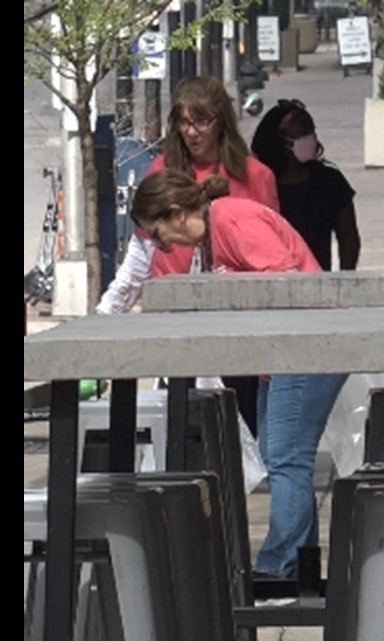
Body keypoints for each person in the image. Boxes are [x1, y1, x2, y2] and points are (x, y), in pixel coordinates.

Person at [129, 169, 346, 579]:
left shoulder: (232, 220)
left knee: (286, 457)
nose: (160, 246)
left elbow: (285, 283)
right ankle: (299, 566)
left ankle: (279, 566)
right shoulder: (212, 235)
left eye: (156, 234)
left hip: (305, 344)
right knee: (283, 457)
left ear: (176, 214)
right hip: (285, 351)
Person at [98, 75, 277, 435]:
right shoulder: (162, 169)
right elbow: (139, 253)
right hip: (174, 326)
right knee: (181, 439)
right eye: (183, 122)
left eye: (202, 121)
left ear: (222, 120)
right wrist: (106, 313)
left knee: (242, 445)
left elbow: (272, 261)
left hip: (238, 333)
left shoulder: (255, 175)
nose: (192, 132)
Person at [251, 99, 360, 272]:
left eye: (312, 130)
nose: (310, 137)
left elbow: (348, 235)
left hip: (318, 280)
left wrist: (345, 278)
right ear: (280, 140)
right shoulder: (259, 183)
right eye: (302, 131)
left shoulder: (330, 181)